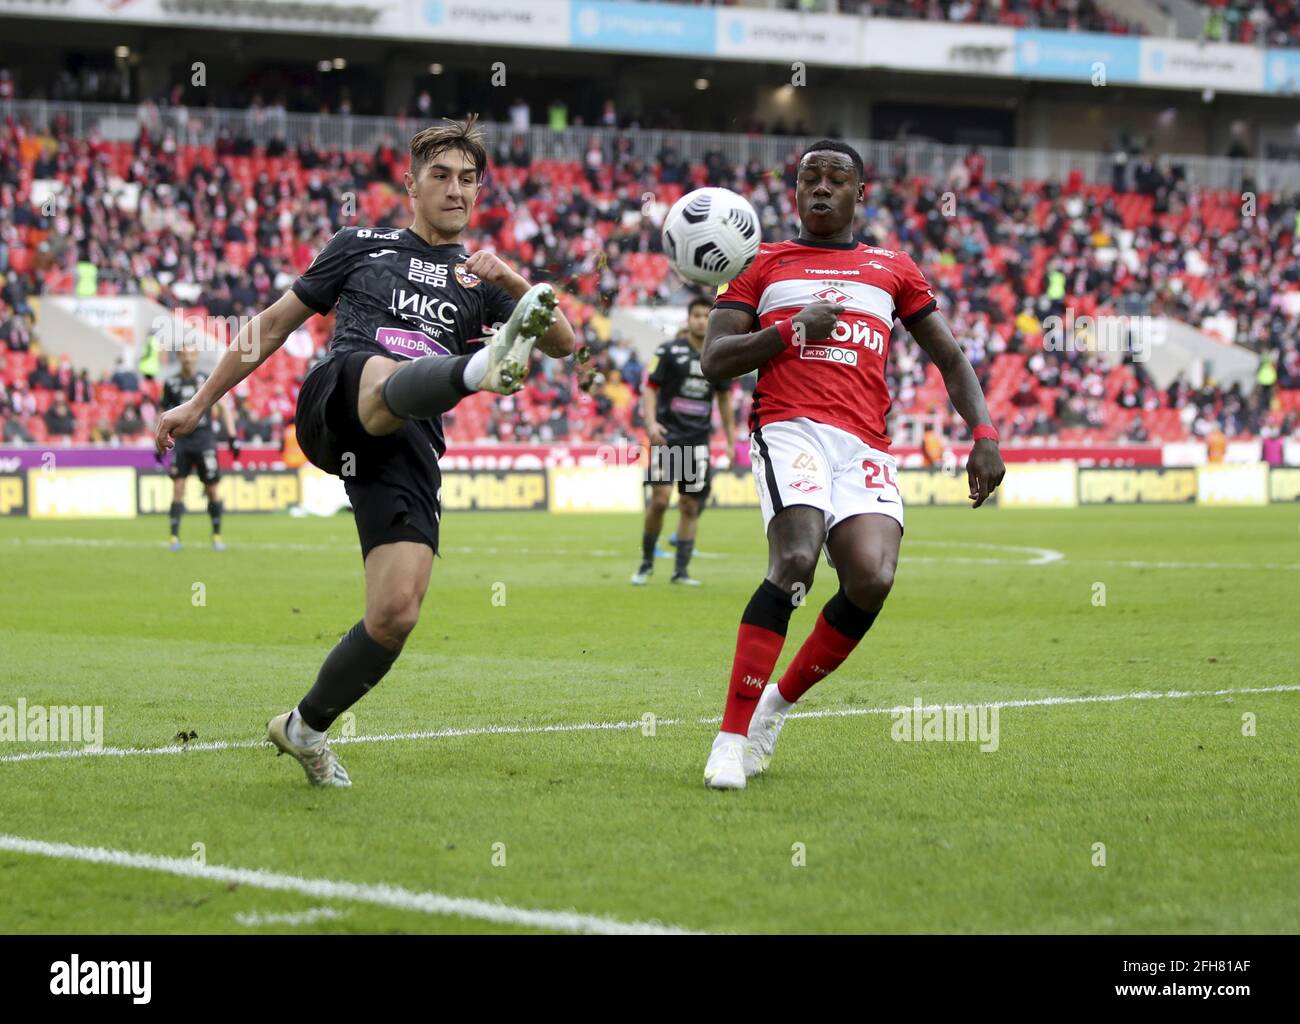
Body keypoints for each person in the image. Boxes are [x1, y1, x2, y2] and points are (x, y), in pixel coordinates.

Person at [155, 115, 576, 788]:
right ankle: (477, 371)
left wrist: (517, 280)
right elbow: (268, 327)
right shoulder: (360, 244)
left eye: (469, 180)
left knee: (396, 612)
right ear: (410, 184)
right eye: (440, 176)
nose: (456, 190)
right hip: (339, 397)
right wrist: (198, 403)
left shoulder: (484, 274)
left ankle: (305, 728)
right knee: (381, 370)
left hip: (407, 438)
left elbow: (564, 340)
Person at [699, 139, 1004, 790]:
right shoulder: (760, 265)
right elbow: (715, 360)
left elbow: (950, 357)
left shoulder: (893, 268)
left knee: (870, 578)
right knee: (796, 559)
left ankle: (775, 708)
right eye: (810, 178)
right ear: (795, 190)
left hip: (864, 443)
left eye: (836, 179)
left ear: (860, 194)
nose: (821, 188)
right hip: (790, 428)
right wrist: (790, 330)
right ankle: (729, 739)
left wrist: (983, 433)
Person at [632, 297, 734, 586]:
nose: (701, 320)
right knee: (661, 500)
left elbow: (724, 400)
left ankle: (681, 572)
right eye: (697, 315)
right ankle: (646, 563)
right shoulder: (668, 350)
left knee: (689, 505)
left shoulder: (717, 356)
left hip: (697, 442)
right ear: (688, 319)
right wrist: (651, 423)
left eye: (706, 315)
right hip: (668, 440)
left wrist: (729, 440)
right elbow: (650, 389)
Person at [159, 345, 240, 551]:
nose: (187, 358)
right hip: (182, 443)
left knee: (212, 489)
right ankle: (174, 538)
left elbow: (224, 408)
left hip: (205, 441)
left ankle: (216, 534)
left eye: (191, 353)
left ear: (196, 356)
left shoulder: (206, 380)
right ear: (178, 357)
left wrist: (232, 436)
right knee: (178, 488)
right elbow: (163, 413)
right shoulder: (171, 383)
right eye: (183, 354)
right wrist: (157, 438)